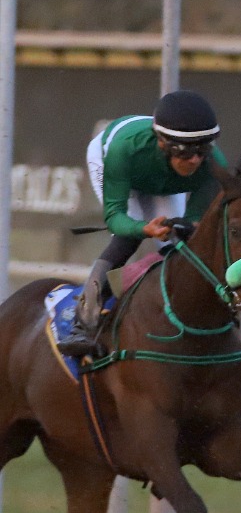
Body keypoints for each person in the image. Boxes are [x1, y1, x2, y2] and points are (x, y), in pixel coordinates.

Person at [57, 90, 228, 358]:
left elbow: (195, 226)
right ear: (163, 144)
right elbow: (116, 218)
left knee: (181, 239)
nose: (195, 159)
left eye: (203, 149)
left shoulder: (214, 166)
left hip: (155, 173)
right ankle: (82, 321)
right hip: (115, 158)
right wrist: (142, 228)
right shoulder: (123, 150)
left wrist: (185, 228)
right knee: (128, 237)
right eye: (185, 151)